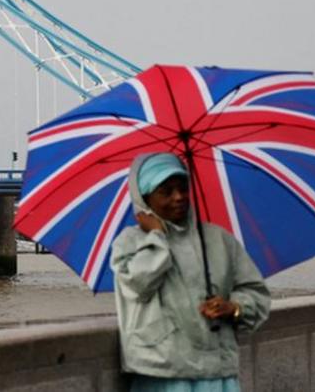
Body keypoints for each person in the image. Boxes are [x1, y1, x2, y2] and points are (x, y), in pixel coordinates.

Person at [110, 152, 271, 392]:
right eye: (166, 191)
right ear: (144, 199)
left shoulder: (219, 240)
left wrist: (234, 307)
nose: (178, 197)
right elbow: (137, 285)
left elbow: (257, 293)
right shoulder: (129, 243)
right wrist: (157, 237)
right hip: (161, 375)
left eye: (183, 188)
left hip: (218, 373)